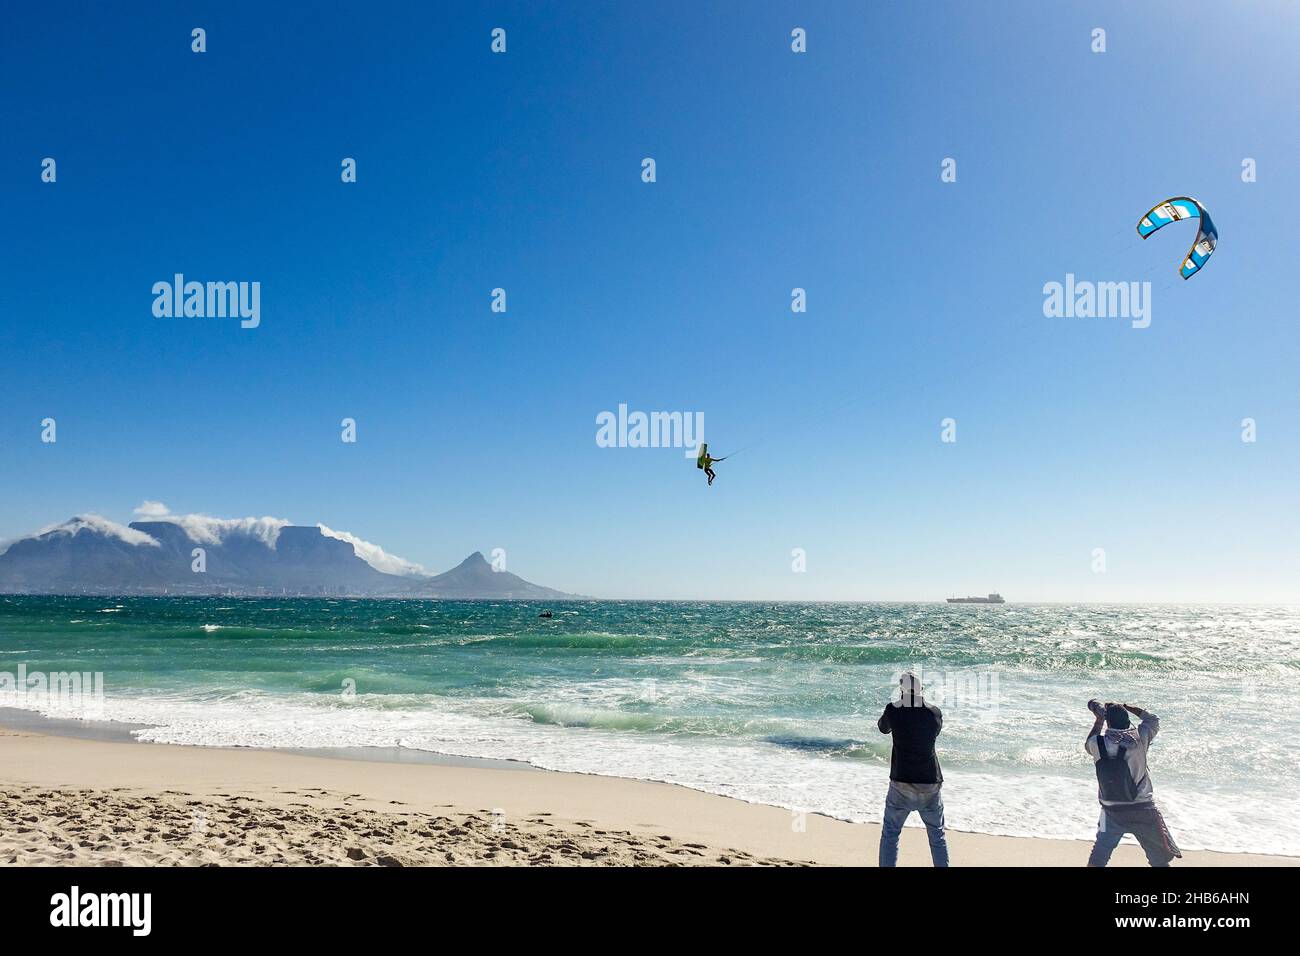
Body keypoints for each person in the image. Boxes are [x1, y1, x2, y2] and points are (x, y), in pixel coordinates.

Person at [1084, 699, 1181, 867]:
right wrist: (1128, 707)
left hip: (1111, 810)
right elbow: (1153, 720)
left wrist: (1099, 719)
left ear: (1109, 723)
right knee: (1157, 858)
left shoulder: (1097, 744)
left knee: (1099, 856)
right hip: (1142, 809)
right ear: (1127, 721)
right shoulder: (1140, 739)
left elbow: (1088, 743)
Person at [877, 672, 948, 867]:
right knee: (937, 835)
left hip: (902, 781)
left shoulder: (893, 710)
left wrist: (898, 704)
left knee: (891, 833)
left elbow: (883, 728)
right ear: (921, 690)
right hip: (930, 781)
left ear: (901, 690)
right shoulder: (935, 713)